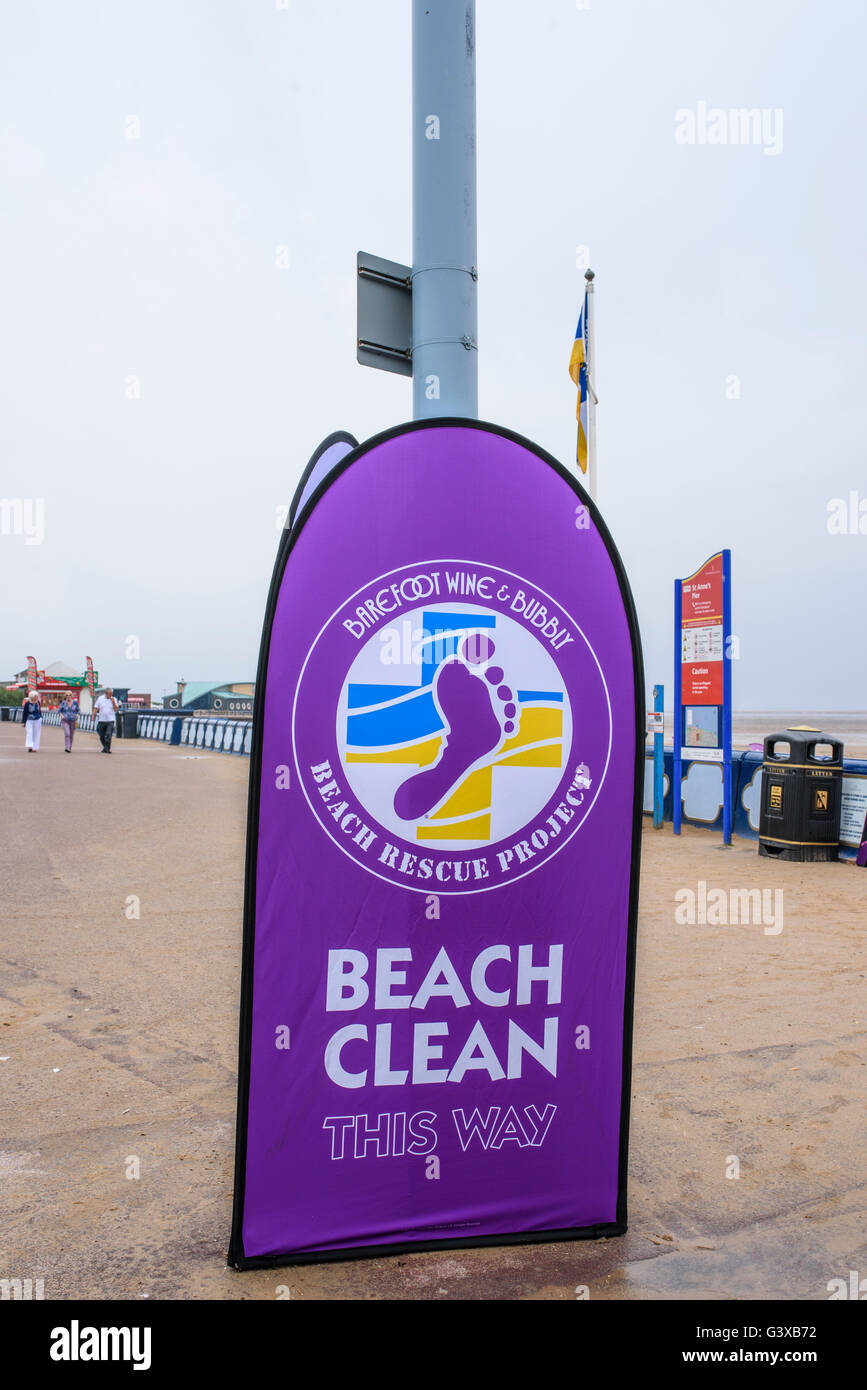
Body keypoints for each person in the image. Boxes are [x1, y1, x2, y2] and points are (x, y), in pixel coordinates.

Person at [93, 688, 119, 753]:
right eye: (110, 694)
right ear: (106, 693)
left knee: (108, 734)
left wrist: (113, 702)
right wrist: (93, 715)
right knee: (101, 735)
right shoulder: (100, 698)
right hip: (101, 720)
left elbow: (116, 709)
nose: (111, 695)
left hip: (111, 720)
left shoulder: (114, 699)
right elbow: (96, 707)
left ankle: (107, 749)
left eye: (112, 694)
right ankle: (105, 747)